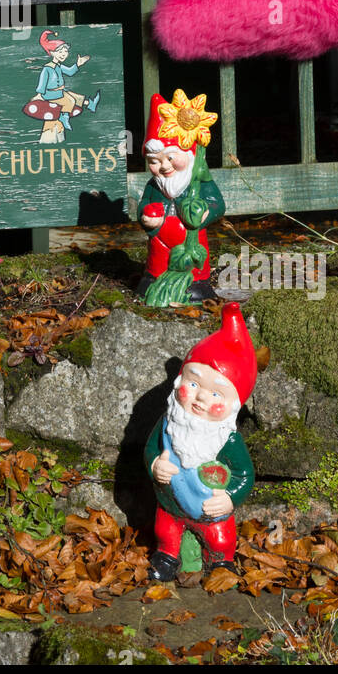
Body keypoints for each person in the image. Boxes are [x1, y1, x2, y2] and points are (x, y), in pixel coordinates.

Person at [144, 301, 256, 581]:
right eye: (193, 384)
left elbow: (244, 474)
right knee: (165, 531)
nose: (201, 398)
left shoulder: (226, 439)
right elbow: (150, 449)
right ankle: (167, 557)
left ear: (233, 405)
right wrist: (156, 464)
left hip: (211, 510)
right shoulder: (170, 421)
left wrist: (230, 499)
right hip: (170, 504)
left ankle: (219, 562)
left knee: (220, 539)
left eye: (217, 394)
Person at [136, 89, 223, 302]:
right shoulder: (154, 186)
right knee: (158, 261)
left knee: (195, 261)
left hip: (191, 240)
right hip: (160, 238)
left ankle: (197, 280)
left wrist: (206, 214)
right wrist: (146, 218)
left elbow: (217, 203)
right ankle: (154, 278)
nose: (164, 166)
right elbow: (143, 205)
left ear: (189, 154)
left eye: (171, 157)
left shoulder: (199, 181)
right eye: (154, 162)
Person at [22, 30, 100, 144]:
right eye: (60, 51)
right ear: (52, 53)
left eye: (66, 51)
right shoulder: (47, 68)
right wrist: (39, 96)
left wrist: (78, 64)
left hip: (59, 92)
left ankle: (90, 104)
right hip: (50, 94)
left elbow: (70, 72)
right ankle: (64, 116)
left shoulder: (59, 66)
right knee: (70, 100)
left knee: (76, 97)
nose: (64, 54)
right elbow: (41, 85)